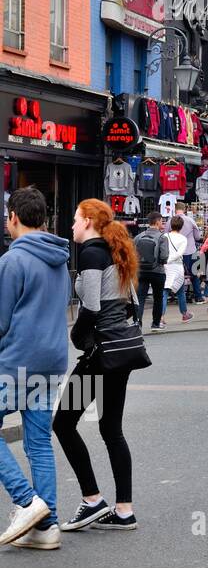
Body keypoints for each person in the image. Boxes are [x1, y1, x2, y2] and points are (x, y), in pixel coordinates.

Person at [56, 199, 144, 533]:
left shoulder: (92, 254)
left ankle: (92, 501)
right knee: (111, 429)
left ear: (90, 221)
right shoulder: (116, 250)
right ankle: (124, 510)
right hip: (120, 353)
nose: (72, 225)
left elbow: (90, 308)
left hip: (100, 356)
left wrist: (77, 339)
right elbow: (133, 304)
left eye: (76, 220)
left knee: (63, 424)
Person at [0, 187, 70, 549]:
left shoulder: (13, 261)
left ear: (13, 217)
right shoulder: (59, 257)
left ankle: (28, 502)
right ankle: (48, 528)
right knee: (39, 443)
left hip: (17, 361)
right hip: (53, 360)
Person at [133, 213, 168, 333]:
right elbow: (164, 256)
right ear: (158, 222)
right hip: (157, 271)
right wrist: (162, 262)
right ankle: (155, 324)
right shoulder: (162, 237)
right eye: (162, 221)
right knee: (158, 298)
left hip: (141, 271)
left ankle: (138, 323)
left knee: (140, 298)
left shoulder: (138, 237)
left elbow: (133, 254)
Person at [161, 215, 192, 324]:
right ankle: (184, 314)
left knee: (164, 291)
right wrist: (170, 259)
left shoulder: (164, 236)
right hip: (177, 266)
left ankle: (161, 316)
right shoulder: (183, 238)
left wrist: (165, 260)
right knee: (180, 291)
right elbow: (180, 253)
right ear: (181, 226)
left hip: (165, 266)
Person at [175, 205, 205, 304]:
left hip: (177, 252)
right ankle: (198, 297)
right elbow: (197, 236)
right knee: (194, 275)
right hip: (191, 249)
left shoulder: (171, 221)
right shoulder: (190, 220)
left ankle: (180, 297)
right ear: (184, 209)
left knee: (179, 275)